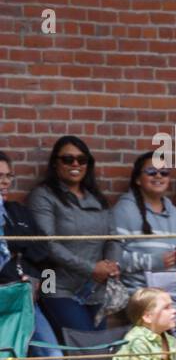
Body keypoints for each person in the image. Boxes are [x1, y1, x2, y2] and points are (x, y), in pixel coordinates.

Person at [0, 151, 63, 360]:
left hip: (26, 303)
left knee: (52, 359)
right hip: (1, 306)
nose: (3, 181)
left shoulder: (18, 212)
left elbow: (45, 255)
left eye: (7, 176)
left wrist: (42, 285)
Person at [25, 135, 121, 335]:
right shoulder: (43, 195)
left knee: (99, 345)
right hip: (53, 282)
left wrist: (111, 266)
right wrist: (90, 268)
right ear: (55, 163)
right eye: (68, 159)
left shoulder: (96, 197)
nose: (75, 164)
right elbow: (47, 243)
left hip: (95, 287)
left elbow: (114, 238)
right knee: (83, 343)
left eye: (82, 159)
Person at [113, 152, 176, 292]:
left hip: (172, 294)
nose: (158, 176)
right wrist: (152, 262)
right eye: (151, 171)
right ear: (138, 179)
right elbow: (113, 259)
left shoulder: (175, 213)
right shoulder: (124, 210)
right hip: (138, 294)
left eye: (164, 172)